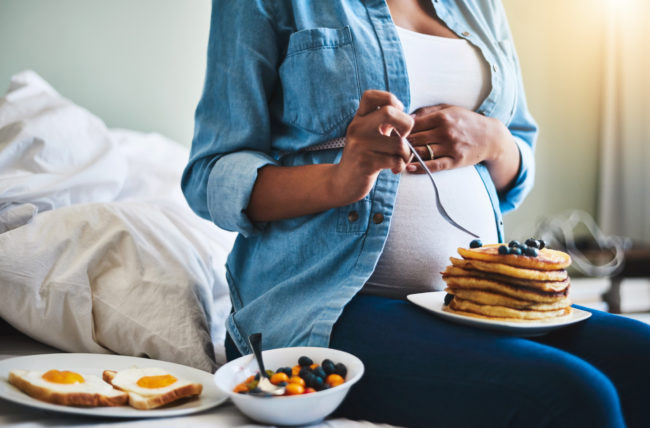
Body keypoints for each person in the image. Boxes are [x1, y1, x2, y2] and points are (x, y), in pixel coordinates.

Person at [182, 1, 650, 426]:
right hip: (330, 303)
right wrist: (337, 181)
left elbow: (518, 157)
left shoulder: (480, 6)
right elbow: (209, 175)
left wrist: (493, 140)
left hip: (477, 302)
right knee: (572, 395)